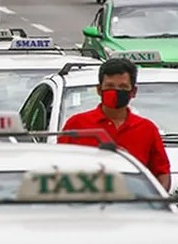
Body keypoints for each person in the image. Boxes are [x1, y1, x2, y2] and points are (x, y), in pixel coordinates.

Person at [59, 57, 170, 189]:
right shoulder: (76, 125)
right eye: (110, 86)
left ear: (133, 92)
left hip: (133, 204)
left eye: (123, 87)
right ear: (99, 90)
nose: (116, 92)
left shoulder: (147, 129)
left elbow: (162, 173)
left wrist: (158, 203)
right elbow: (59, 168)